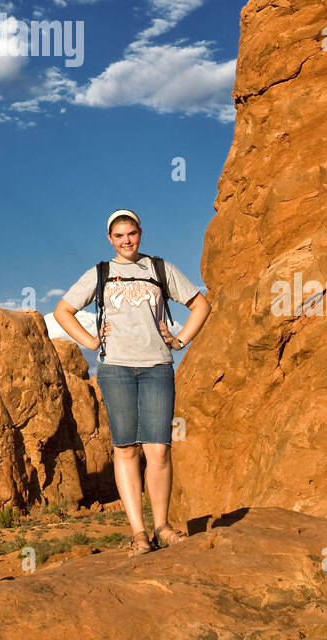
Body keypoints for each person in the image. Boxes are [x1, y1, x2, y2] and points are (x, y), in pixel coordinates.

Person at [53, 209, 211, 557]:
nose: (126, 241)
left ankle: (163, 526)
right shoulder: (101, 273)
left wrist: (180, 339)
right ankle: (139, 534)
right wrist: (91, 341)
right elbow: (62, 310)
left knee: (159, 449)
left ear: (141, 233)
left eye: (132, 234)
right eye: (119, 235)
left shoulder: (159, 269)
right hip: (116, 369)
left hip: (157, 365)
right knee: (126, 449)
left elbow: (200, 305)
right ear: (110, 239)